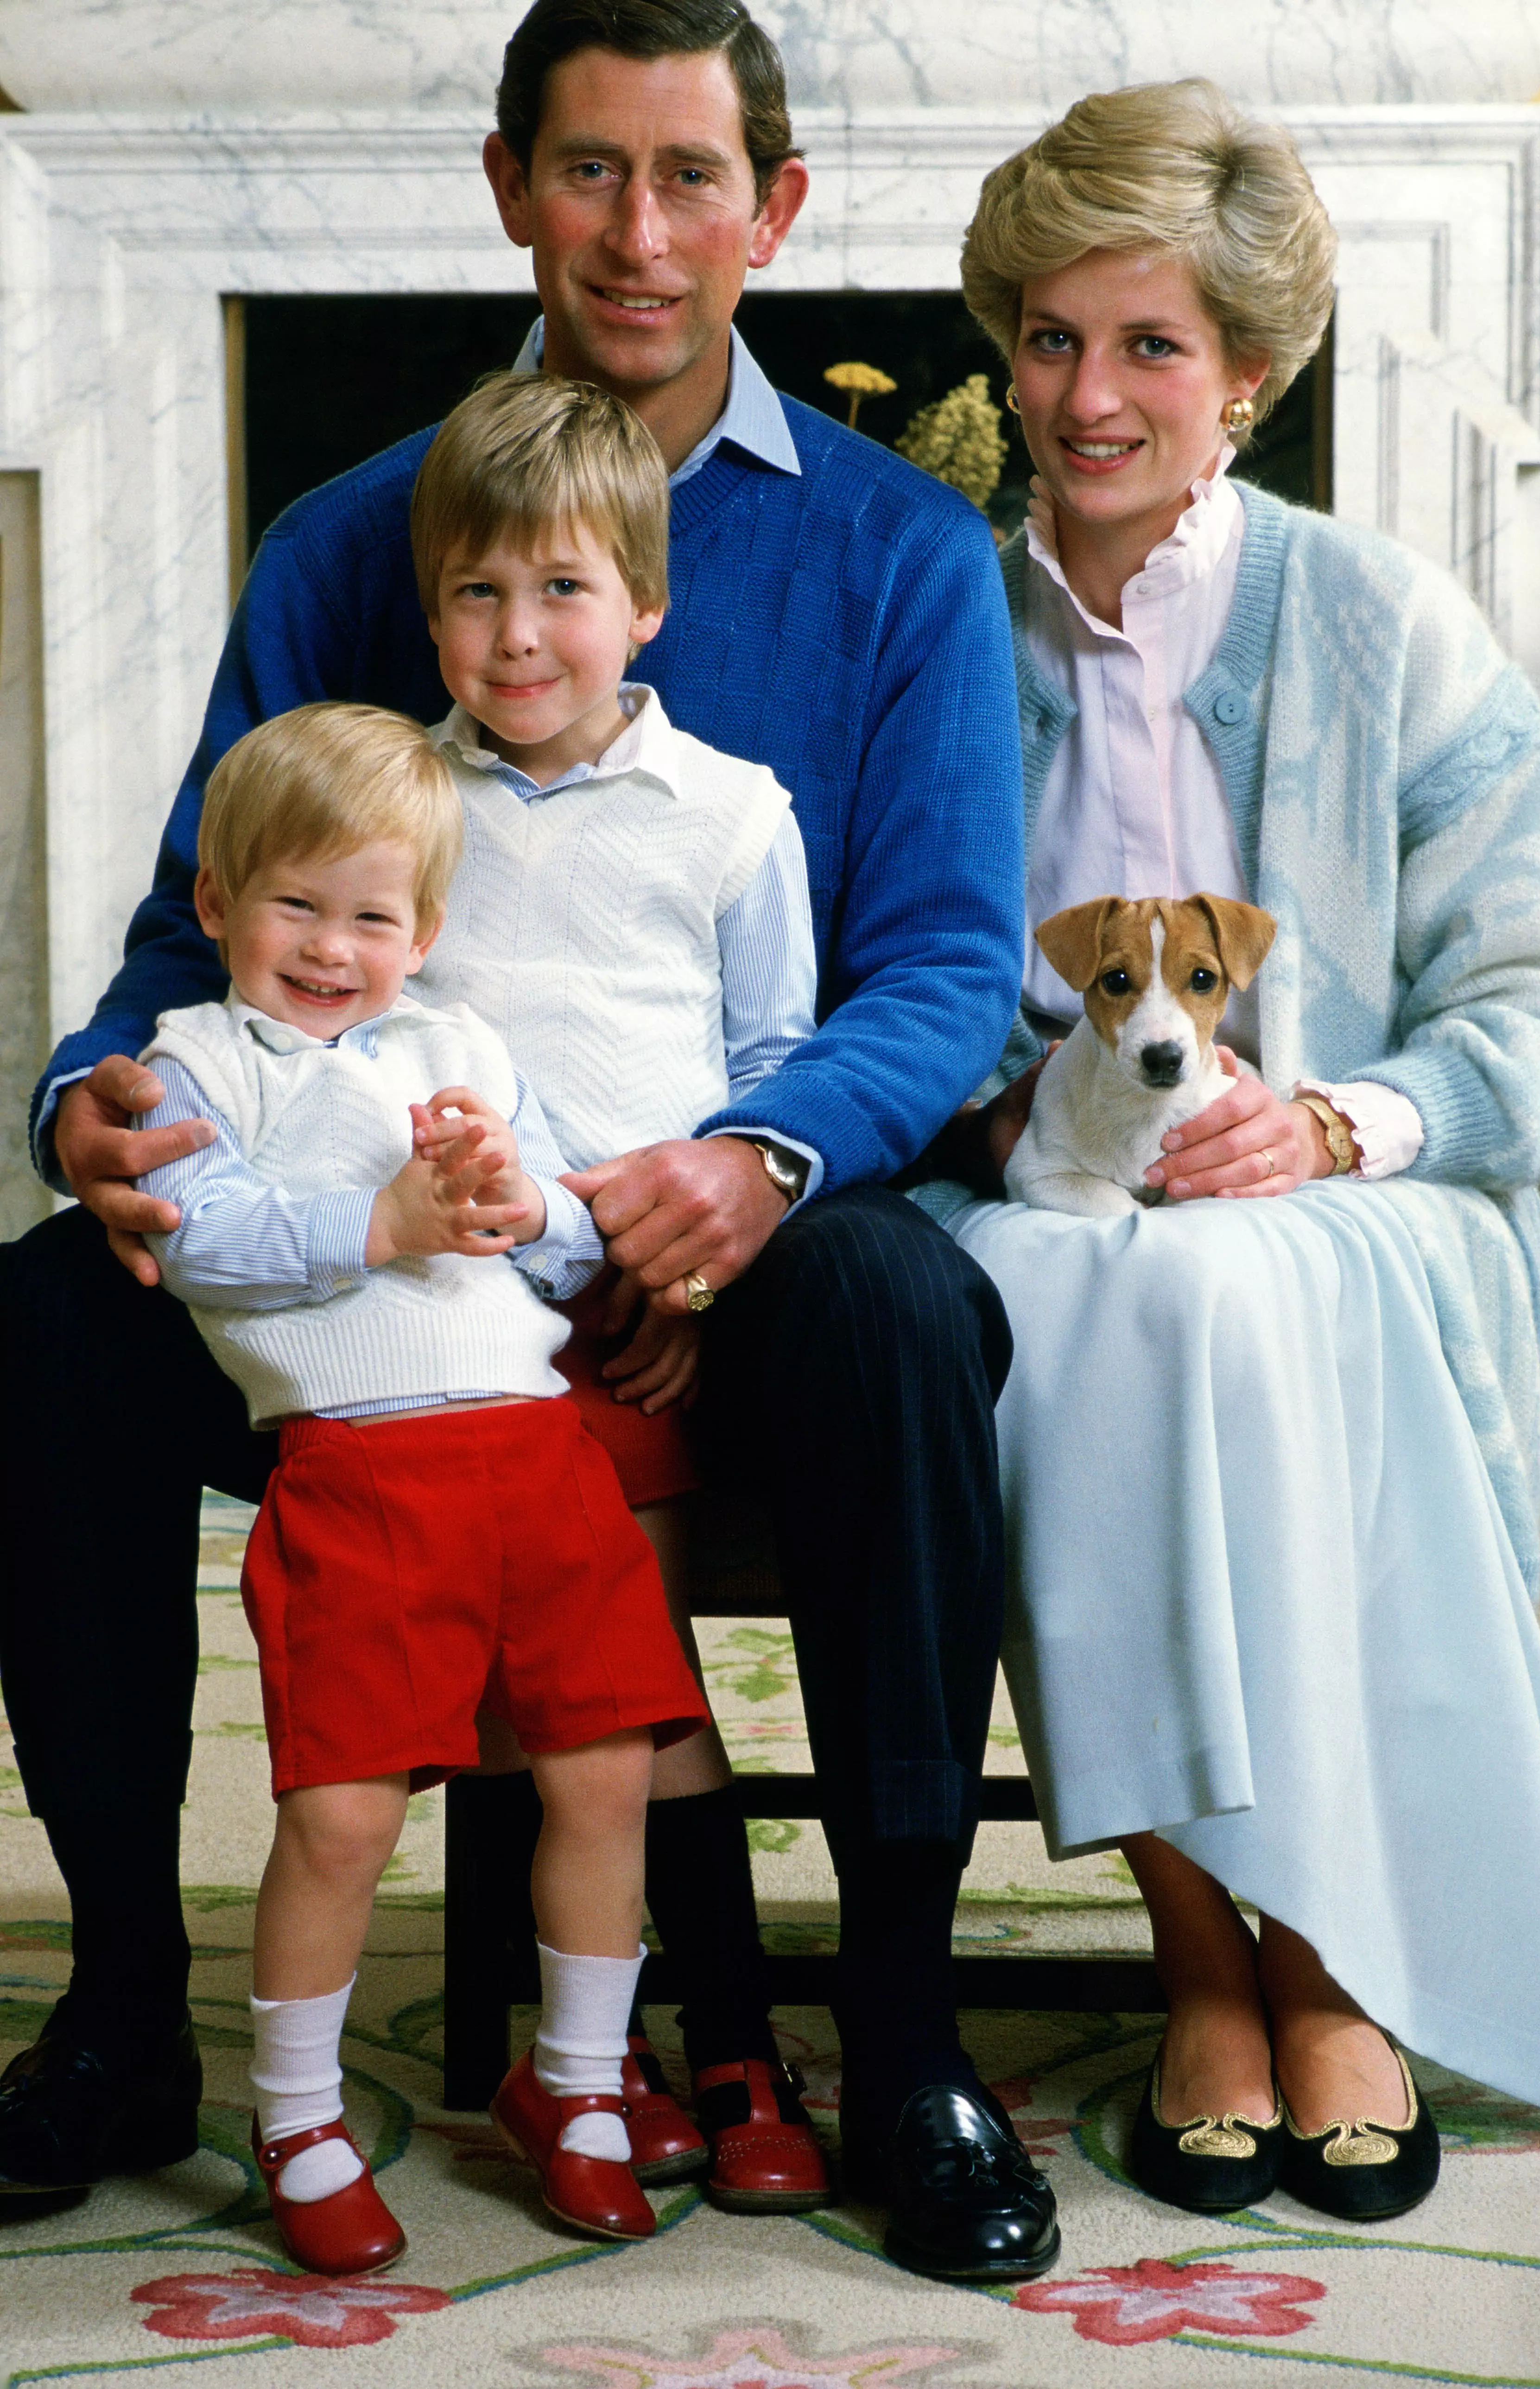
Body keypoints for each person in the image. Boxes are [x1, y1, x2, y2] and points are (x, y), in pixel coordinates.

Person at [0, 0, 1055, 2285]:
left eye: (693, 179)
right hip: (393, 1249)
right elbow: (210, 907)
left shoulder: (897, 555)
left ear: (771, 209)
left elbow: (945, 968)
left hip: (743, 1232)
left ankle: (901, 2028)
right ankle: (118, 2011)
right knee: (47, 1310)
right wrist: (87, 1097)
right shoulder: (362, 535)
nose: (641, 234)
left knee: (897, 1305)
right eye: (590, 172)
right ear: (508, 188)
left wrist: (754, 1170)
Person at [919, 76, 1540, 2224]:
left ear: (1247, 372)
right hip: (1049, 1208)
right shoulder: (941, 625)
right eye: (1050, 337)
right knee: (1094, 1282)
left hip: (1364, 1217)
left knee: (1214, 1283)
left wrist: (1331, 1113)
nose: (1088, 392)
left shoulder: (1386, 624)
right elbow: (885, 976)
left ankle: (1322, 1950)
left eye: (1149, 343)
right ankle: (1199, 1952)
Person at [138, 701, 709, 2271]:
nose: (333, 947)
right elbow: (207, 1249)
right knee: (339, 1812)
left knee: (601, 1775)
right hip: (358, 1473)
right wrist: (379, 1227)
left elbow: (574, 1245)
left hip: (534, 1455)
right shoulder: (186, 1064)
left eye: (372, 916)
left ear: (426, 930)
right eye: (294, 906)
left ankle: (579, 2084)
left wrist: (523, 1201)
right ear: (217, 906)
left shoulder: (460, 1049)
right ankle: (300, 2111)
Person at [415, 365, 826, 2211]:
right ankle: (575, 2056)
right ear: (433, 608)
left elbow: (774, 1065)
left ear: (644, 602)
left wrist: (698, 1266)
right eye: (478, 591)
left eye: (563, 588)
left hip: (638, 1328)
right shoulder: (393, 800)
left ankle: (726, 2034)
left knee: (627, 1696)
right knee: (528, 1704)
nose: (519, 634)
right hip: (441, 1325)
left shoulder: (729, 814)